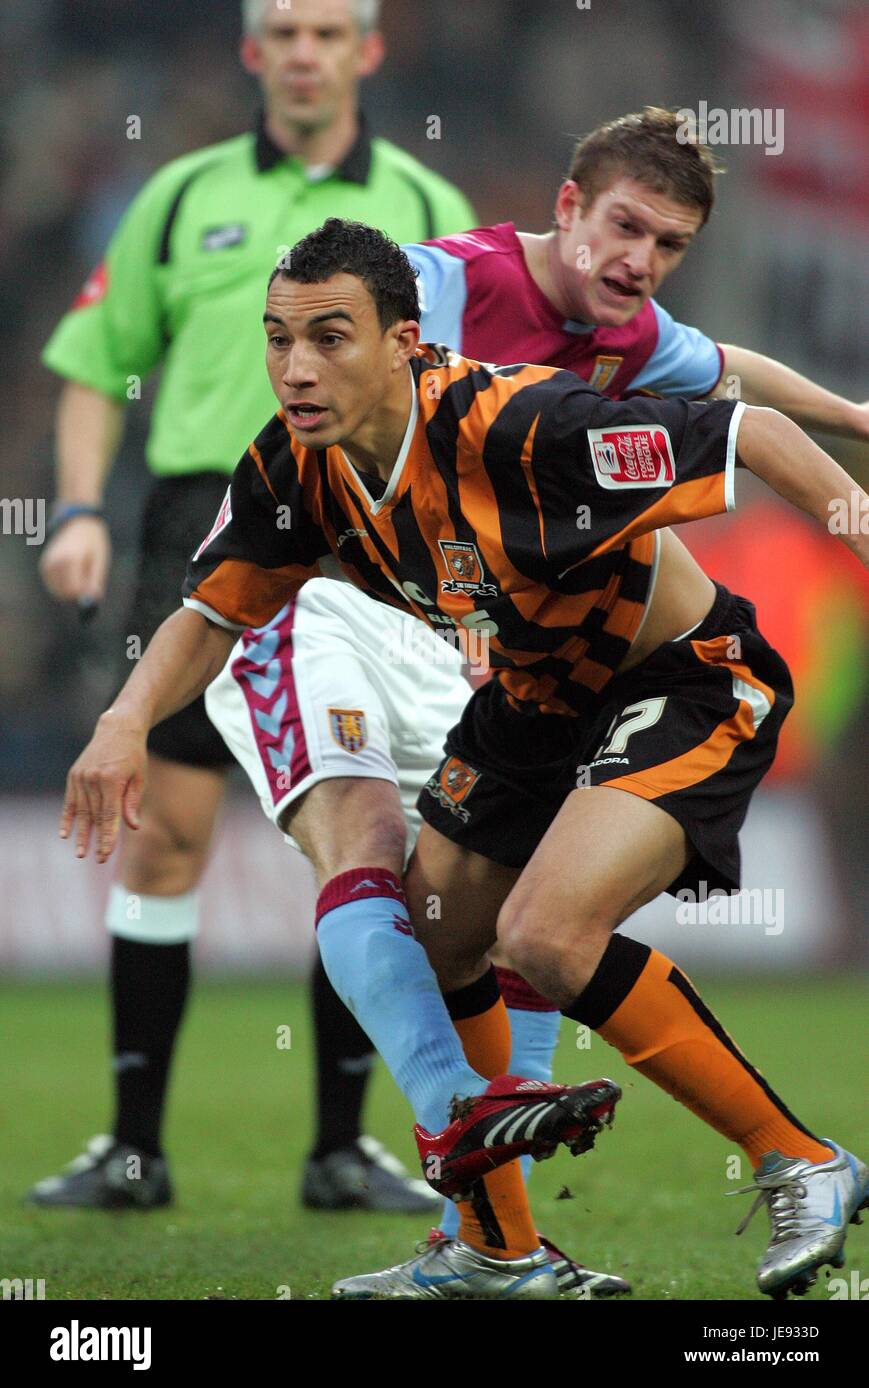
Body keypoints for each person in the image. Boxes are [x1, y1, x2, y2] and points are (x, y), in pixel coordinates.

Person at [61, 220, 869, 1299]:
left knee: (543, 935)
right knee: (436, 938)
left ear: (403, 340)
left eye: (329, 338)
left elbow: (754, 433)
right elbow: (209, 612)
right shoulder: (291, 465)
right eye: (278, 337)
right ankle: (493, 1250)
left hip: (680, 677)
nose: (296, 367)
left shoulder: (521, 427)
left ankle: (799, 1158)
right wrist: (122, 721)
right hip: (530, 707)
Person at [31, 0, 476, 1216]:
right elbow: (90, 359)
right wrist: (76, 510)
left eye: (328, 32)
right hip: (197, 522)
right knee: (165, 833)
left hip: (362, 531)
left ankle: (339, 1150)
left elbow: (472, 390)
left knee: (364, 833)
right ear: (251, 52)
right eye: (282, 30)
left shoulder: (432, 211)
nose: (302, 50)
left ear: (366, 53)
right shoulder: (176, 196)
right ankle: (134, 1150)